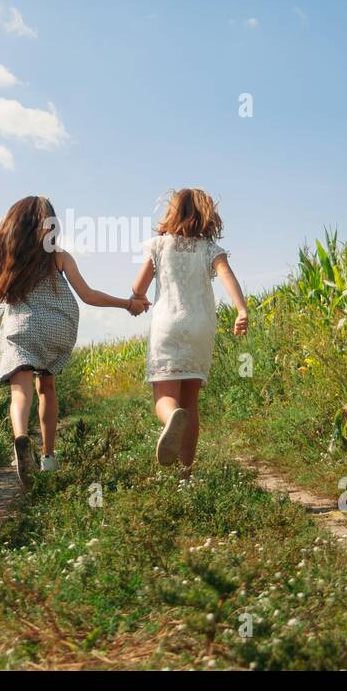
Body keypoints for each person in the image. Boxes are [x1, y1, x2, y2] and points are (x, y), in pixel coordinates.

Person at [0, 196, 149, 486]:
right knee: (47, 389)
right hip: (56, 329)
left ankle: (20, 439)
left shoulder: (8, 254)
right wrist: (128, 304)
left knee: (20, 391)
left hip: (21, 329)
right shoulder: (59, 256)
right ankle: (48, 457)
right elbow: (89, 296)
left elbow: (3, 295)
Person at [132, 189, 247, 478]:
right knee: (191, 402)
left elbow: (138, 289)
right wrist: (241, 310)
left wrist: (137, 300)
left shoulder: (159, 246)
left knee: (164, 395)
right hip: (200, 326)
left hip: (166, 325)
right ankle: (186, 473)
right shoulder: (209, 249)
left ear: (172, 212)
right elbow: (227, 275)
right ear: (205, 215)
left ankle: (171, 417)